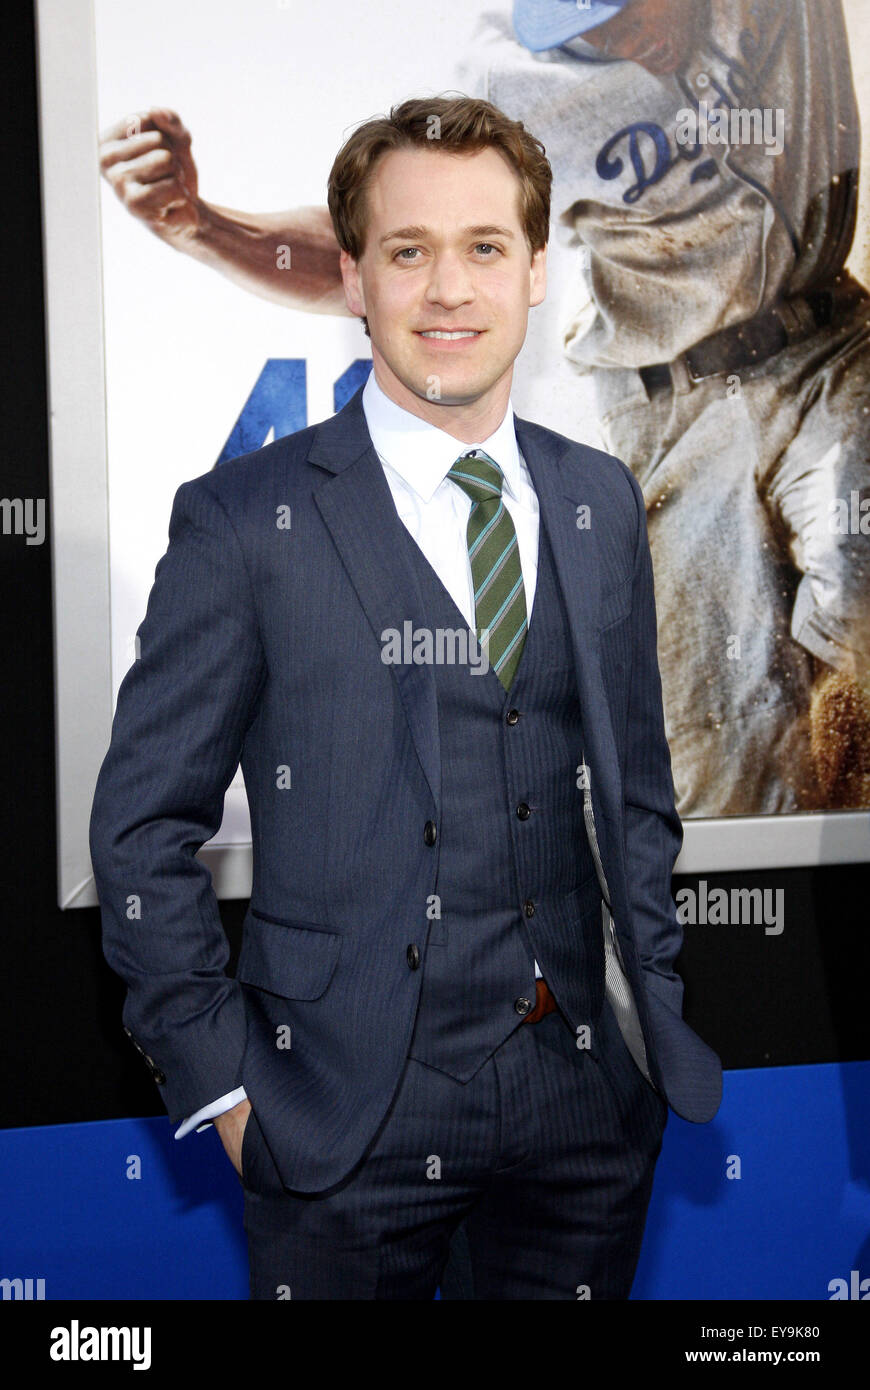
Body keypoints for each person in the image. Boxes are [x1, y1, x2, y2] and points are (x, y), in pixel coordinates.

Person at [89, 93, 721, 1300]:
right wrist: (229, 1090)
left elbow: (639, 796)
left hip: (585, 1106)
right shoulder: (244, 520)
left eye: (485, 248)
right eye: (408, 251)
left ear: (537, 272)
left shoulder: (597, 502)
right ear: (352, 277)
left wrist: (649, 1024)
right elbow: (139, 830)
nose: (449, 290)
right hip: (339, 1119)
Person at [98, 0, 870, 818]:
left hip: (831, 351)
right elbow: (371, 254)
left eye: (620, 8)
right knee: (730, 784)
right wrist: (203, 225)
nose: (608, 37)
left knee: (858, 593)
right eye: (580, 27)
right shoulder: (506, 78)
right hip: (670, 410)